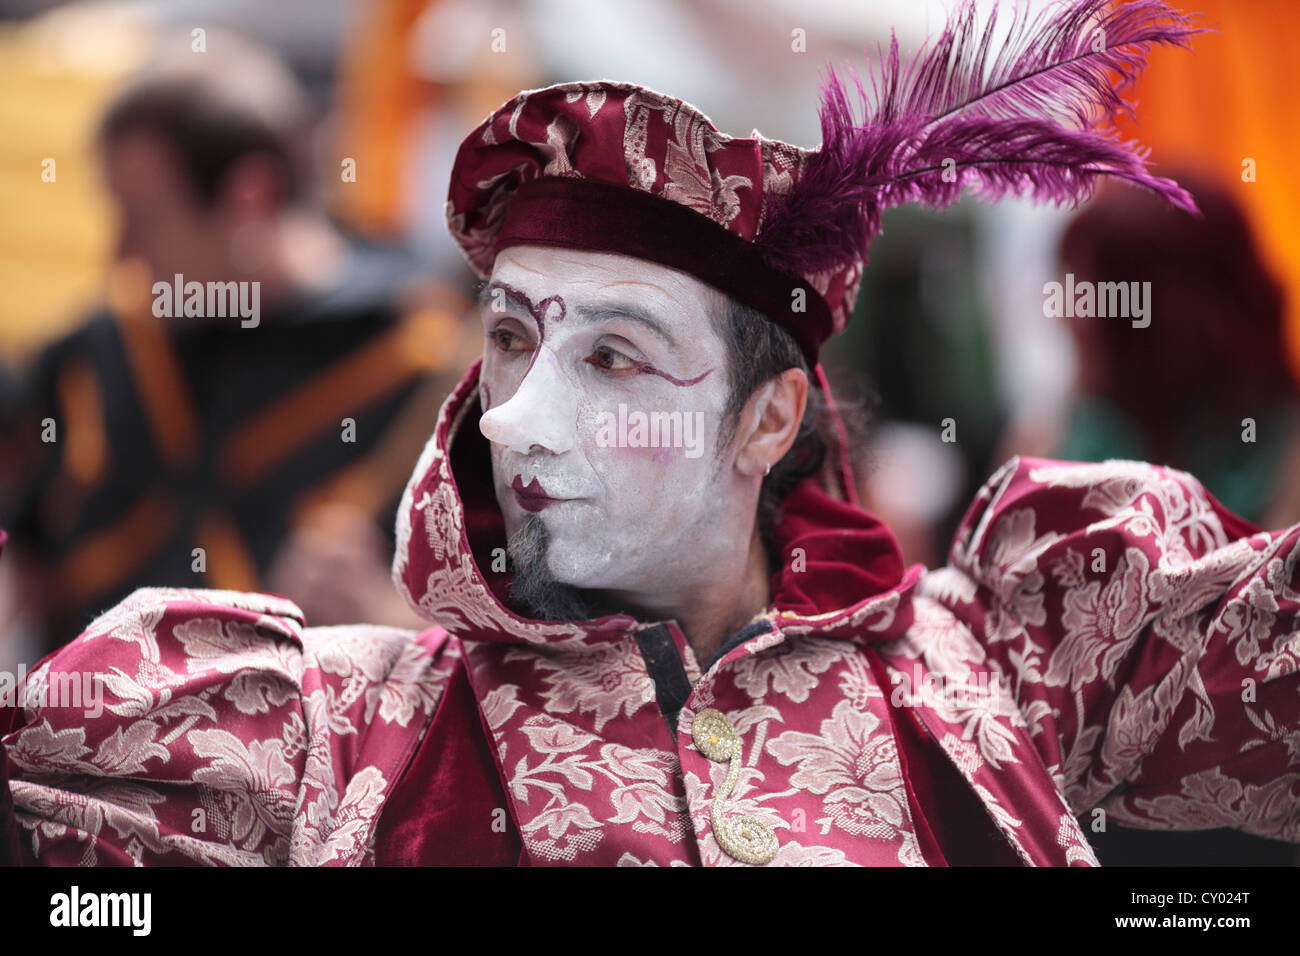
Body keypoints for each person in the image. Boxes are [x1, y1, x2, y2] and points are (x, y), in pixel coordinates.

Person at [2, 0, 1297, 867]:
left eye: (613, 354)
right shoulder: (331, 727)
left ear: (767, 416)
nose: (516, 412)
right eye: (509, 339)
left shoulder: (1011, 660)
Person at [0, 34, 470, 656]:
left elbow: (501, 652)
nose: (120, 256)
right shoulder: (98, 352)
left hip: (300, 740)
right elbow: (27, 567)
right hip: (76, 735)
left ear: (250, 195)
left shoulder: (427, 368)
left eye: (144, 218)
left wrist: (386, 616)